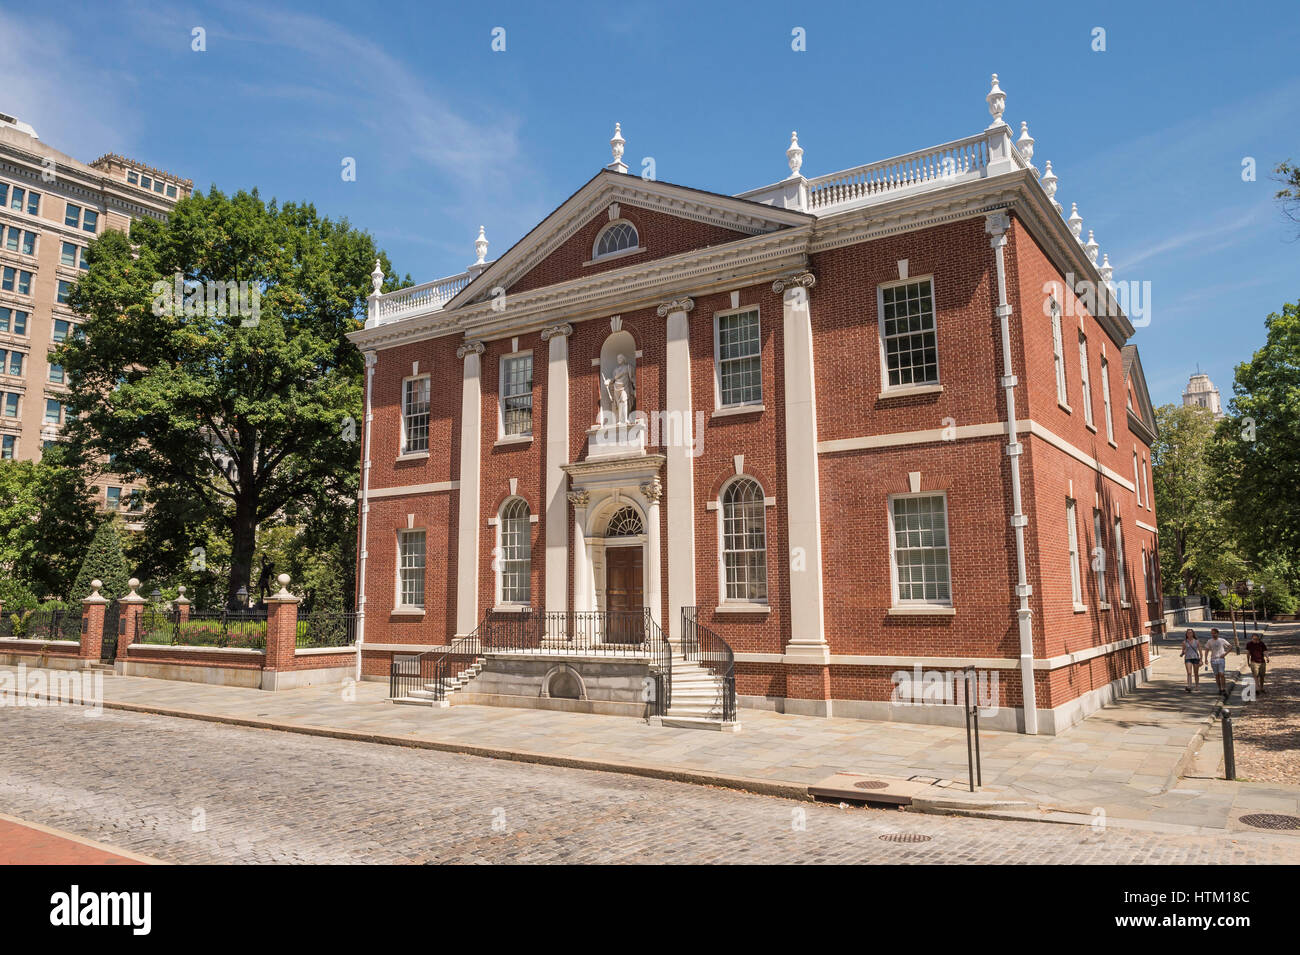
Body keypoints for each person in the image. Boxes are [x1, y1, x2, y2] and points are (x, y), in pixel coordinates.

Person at [1206, 629, 1232, 696]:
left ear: (1217, 633)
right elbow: (1207, 650)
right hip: (1213, 660)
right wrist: (1205, 659)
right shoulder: (1209, 641)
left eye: (1214, 633)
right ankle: (1220, 689)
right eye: (1212, 633)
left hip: (1221, 659)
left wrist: (1225, 654)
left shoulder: (1222, 640)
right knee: (1217, 675)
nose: (1213, 635)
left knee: (1222, 674)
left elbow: (1230, 646)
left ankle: (1224, 689)